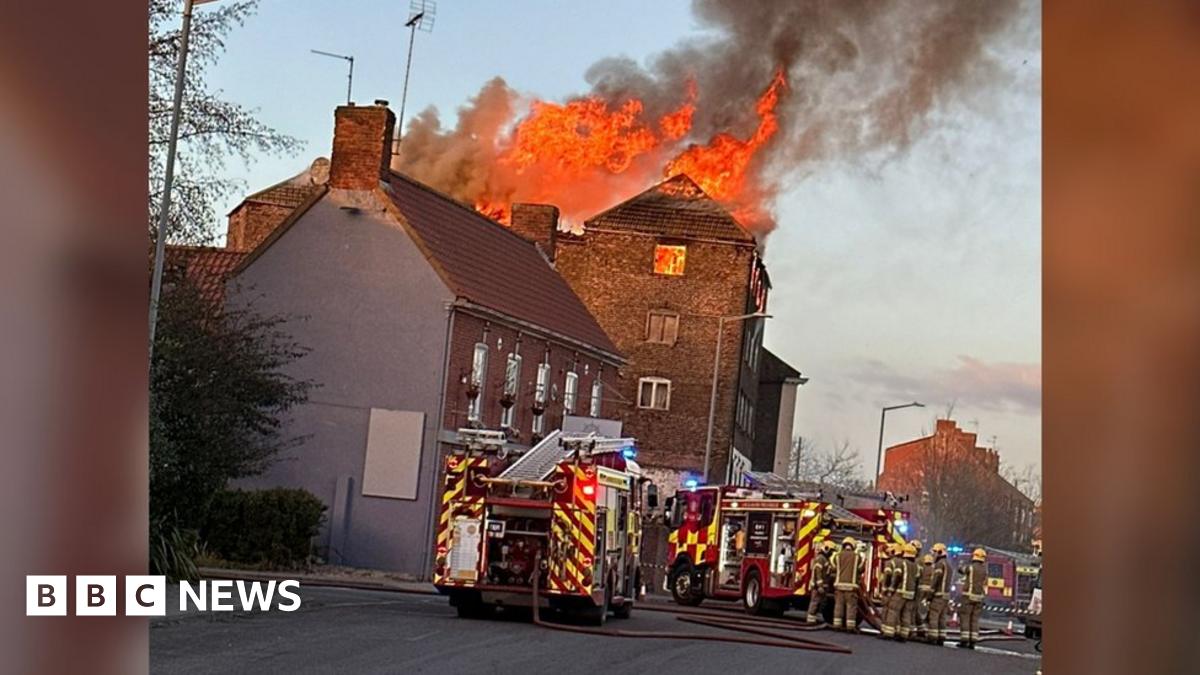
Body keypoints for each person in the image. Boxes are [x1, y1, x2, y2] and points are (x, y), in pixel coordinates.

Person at [831, 536, 865, 632]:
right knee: (851, 607)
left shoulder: (837, 556)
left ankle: (836, 625)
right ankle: (850, 627)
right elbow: (861, 569)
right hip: (851, 587)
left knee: (838, 606)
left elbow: (833, 568)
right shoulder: (857, 557)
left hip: (839, 586)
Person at [957, 547, 988, 649]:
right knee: (974, 619)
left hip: (968, 597)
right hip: (979, 598)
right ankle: (973, 641)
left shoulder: (970, 567)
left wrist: (960, 564)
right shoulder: (985, 570)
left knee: (965, 617)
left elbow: (961, 570)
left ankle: (964, 639)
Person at [805, 539, 835, 624]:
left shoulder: (825, 559)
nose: (831, 553)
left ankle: (813, 617)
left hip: (821, 586)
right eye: (831, 551)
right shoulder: (820, 559)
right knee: (815, 602)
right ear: (826, 549)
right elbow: (818, 573)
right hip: (817, 586)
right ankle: (810, 619)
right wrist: (820, 586)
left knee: (818, 602)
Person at [927, 543, 952, 645]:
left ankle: (933, 637)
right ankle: (941, 637)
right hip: (945, 596)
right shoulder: (948, 565)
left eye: (934, 552)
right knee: (942, 617)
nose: (933, 555)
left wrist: (929, 595)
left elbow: (935, 580)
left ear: (940, 552)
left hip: (938, 595)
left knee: (934, 616)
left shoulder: (940, 564)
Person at [897, 544, 920, 641]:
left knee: (896, 612)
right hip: (911, 593)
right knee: (907, 614)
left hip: (901, 592)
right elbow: (918, 579)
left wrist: (892, 588)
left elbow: (897, 577)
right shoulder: (917, 566)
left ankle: (895, 632)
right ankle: (904, 634)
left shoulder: (903, 563)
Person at [917, 553, 935, 640]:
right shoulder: (934, 569)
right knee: (929, 609)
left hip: (921, 589)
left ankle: (920, 626)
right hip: (930, 591)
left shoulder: (922, 568)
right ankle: (926, 623)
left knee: (918, 608)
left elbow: (917, 577)